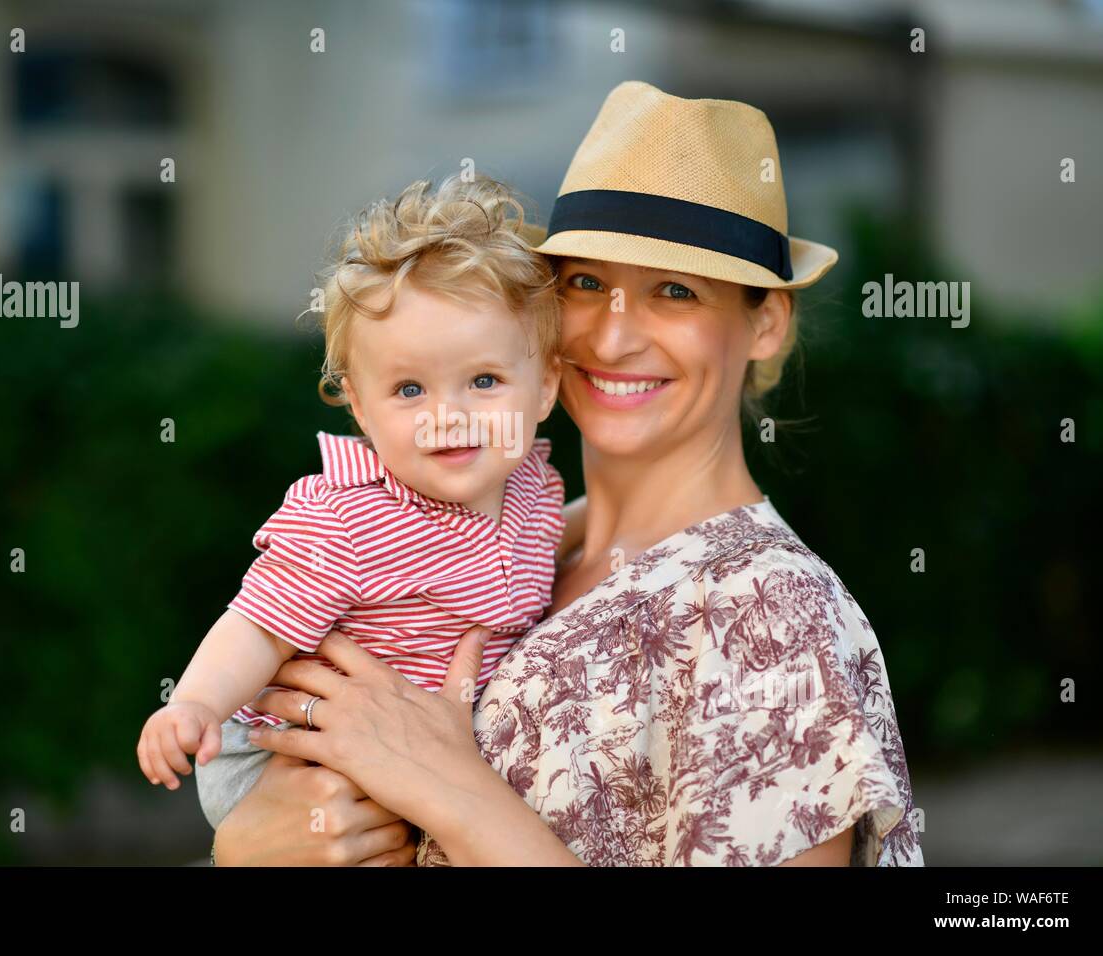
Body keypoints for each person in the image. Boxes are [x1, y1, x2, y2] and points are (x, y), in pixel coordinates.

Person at [200, 81, 924, 867]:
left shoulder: (770, 610)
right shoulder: (496, 538)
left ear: (765, 322)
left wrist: (453, 790)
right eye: (585, 283)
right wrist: (246, 846)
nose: (612, 339)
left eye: (674, 292)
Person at [136, 175, 568, 812]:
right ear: (361, 406)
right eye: (411, 390)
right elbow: (257, 627)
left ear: (545, 388)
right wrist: (195, 702)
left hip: (416, 757)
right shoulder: (348, 515)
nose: (448, 414)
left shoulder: (538, 490)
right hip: (280, 757)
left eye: (484, 379)